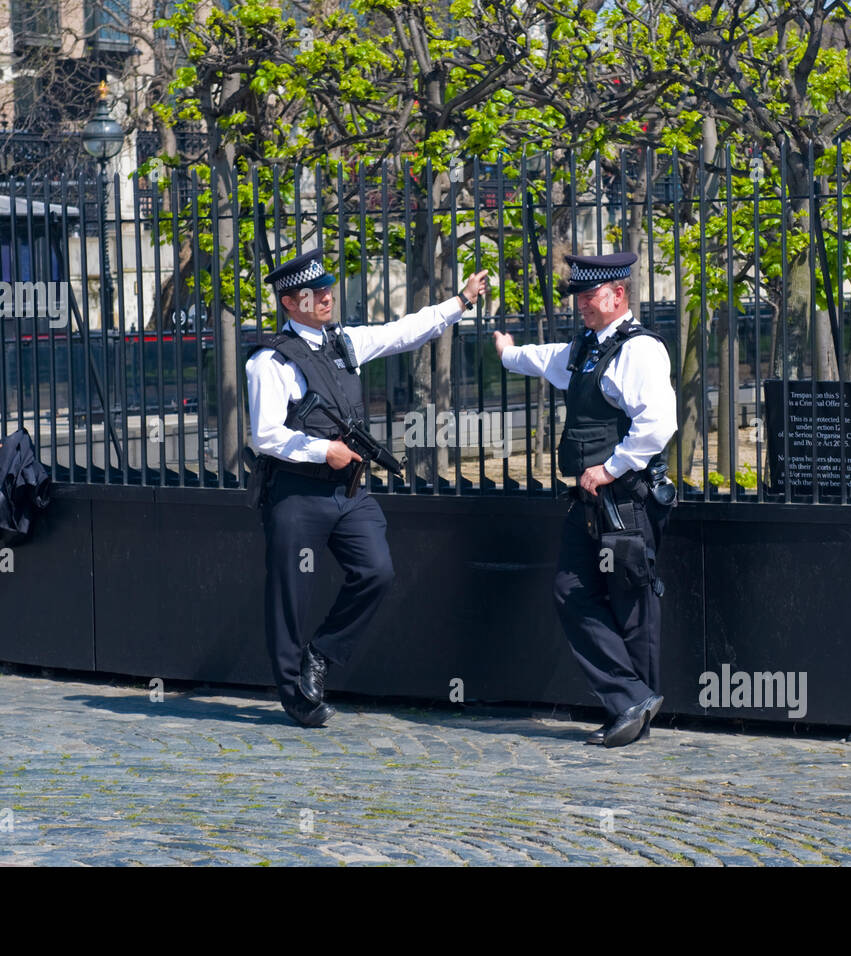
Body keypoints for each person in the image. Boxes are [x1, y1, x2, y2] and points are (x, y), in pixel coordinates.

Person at [246, 247, 489, 727]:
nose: (326, 298)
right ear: (290, 303)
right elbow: (266, 434)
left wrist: (458, 302)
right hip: (297, 492)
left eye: (327, 289)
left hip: (349, 491)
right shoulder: (270, 362)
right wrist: (322, 450)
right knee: (290, 595)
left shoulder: (344, 343)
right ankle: (297, 695)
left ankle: (321, 653)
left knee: (376, 572)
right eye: (315, 294)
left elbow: (402, 333)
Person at [493, 252, 677, 748]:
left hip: (626, 498)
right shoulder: (585, 349)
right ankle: (631, 698)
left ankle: (633, 706)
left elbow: (658, 425)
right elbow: (543, 359)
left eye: (590, 296)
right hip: (590, 501)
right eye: (578, 296)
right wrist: (509, 353)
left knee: (631, 603)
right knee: (572, 591)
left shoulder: (640, 351)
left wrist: (610, 467)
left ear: (618, 294)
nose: (581, 305)